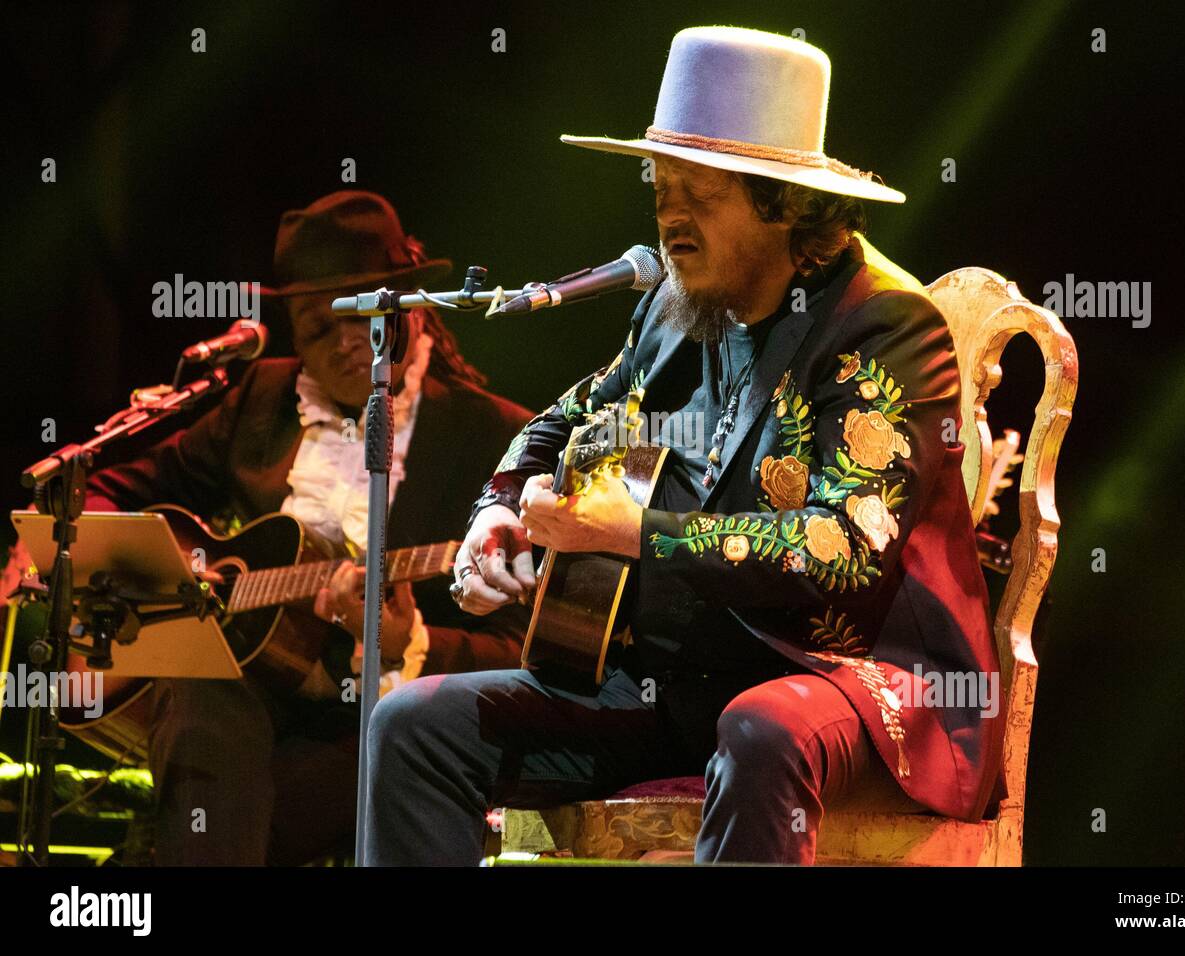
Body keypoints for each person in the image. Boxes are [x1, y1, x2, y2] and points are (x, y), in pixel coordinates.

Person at [365, 27, 1004, 866]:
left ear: (782, 204)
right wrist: (499, 506)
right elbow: (567, 420)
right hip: (681, 683)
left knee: (760, 727)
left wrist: (631, 533)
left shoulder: (882, 324)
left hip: (860, 683)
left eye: (699, 195)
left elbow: (845, 547)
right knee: (413, 725)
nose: (671, 218)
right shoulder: (678, 301)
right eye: (661, 188)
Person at [82, 190, 533, 864]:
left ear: (409, 299)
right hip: (248, 708)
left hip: (384, 722)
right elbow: (119, 486)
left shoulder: (494, 437)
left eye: (365, 315)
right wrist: (83, 546)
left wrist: (409, 639)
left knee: (229, 820)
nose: (347, 342)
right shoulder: (261, 399)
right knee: (204, 687)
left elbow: (521, 655)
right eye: (318, 329)